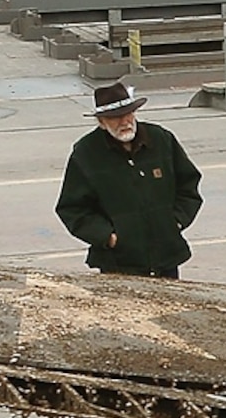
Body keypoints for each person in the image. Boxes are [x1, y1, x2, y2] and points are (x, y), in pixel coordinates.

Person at [55, 82, 203, 278]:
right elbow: (72, 209)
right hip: (118, 263)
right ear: (101, 122)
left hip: (166, 257)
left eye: (128, 114)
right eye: (115, 118)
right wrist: (108, 237)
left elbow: (188, 185)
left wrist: (174, 222)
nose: (124, 121)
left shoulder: (161, 139)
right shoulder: (86, 153)